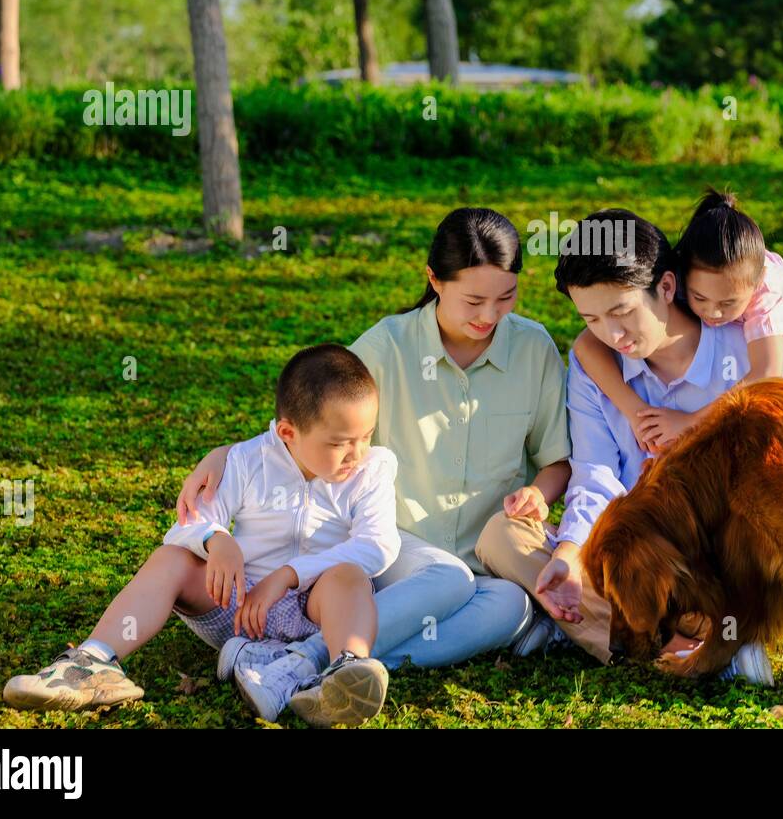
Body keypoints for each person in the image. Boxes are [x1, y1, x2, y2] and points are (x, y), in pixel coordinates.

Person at [177, 207, 573, 726]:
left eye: (507, 296)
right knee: (449, 580)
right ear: (433, 280)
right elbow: (307, 427)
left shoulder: (534, 348)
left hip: (486, 561)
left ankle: (295, 661)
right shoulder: (386, 347)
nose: (490, 315)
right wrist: (223, 453)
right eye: (474, 300)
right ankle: (319, 659)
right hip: (390, 549)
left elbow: (556, 462)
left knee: (511, 610)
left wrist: (541, 495)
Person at [478, 208, 783, 681]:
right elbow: (596, 476)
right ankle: (693, 644)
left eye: (622, 312)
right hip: (637, 563)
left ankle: (644, 632)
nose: (613, 334)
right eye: (591, 318)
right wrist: (568, 556)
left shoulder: (745, 351)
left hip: (724, 553)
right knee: (500, 537)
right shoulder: (595, 367)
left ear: (666, 288)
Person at [4, 344, 399, 727]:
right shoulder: (245, 461)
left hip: (318, 609)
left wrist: (289, 575)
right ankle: (93, 662)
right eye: (339, 443)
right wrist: (215, 539)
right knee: (171, 559)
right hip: (240, 606)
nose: (357, 453)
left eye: (365, 436)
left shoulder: (374, 470)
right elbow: (185, 526)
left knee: (350, 575)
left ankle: (344, 669)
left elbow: (377, 544)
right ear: (288, 432)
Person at [574, 187, 783, 453]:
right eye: (699, 298)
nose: (712, 314)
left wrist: (691, 422)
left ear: (755, 284)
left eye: (727, 304)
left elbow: (766, 375)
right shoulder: (681, 274)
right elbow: (586, 346)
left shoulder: (766, 293)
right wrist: (635, 412)